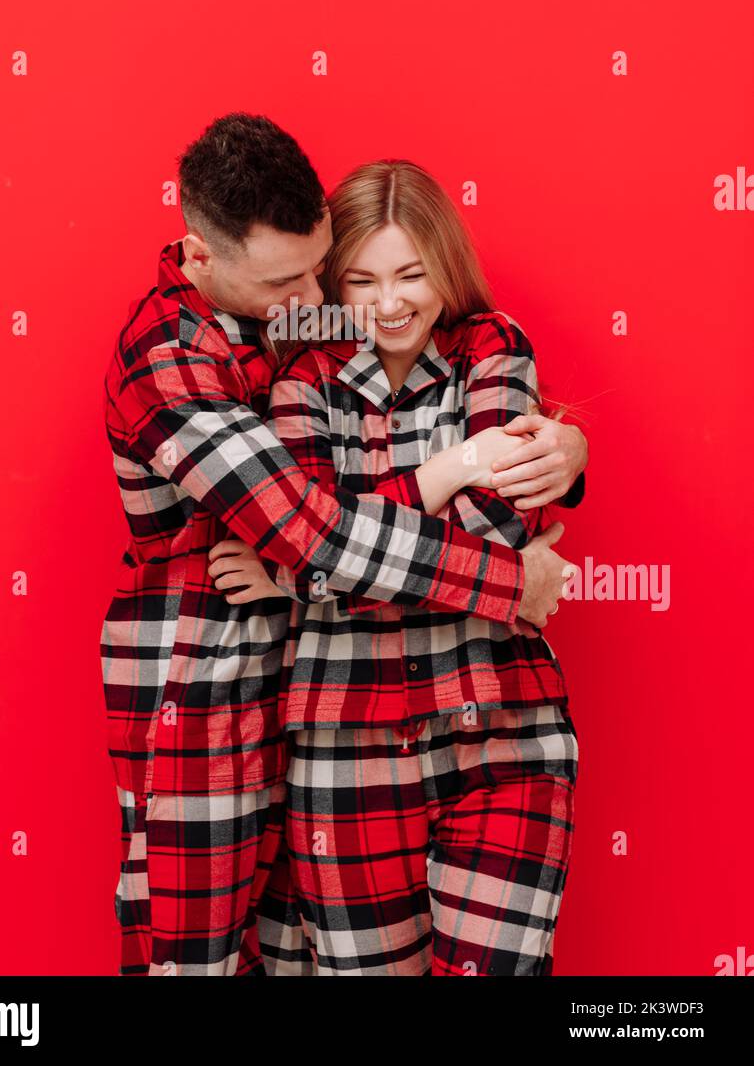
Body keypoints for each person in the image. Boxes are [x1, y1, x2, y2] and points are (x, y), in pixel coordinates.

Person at [101, 115, 587, 975]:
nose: (316, 296)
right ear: (201, 255)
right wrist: (499, 553)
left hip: (331, 691)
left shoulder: (355, 326)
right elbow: (311, 530)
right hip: (202, 694)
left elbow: (358, 529)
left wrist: (564, 456)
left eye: (318, 268)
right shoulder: (170, 362)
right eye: (295, 279)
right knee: (193, 958)